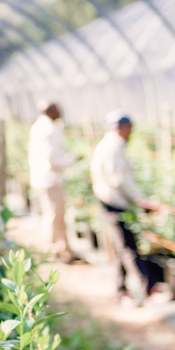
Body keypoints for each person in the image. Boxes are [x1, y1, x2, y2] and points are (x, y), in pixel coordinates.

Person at [90, 110, 156, 304]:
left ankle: (121, 288)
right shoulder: (114, 147)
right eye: (130, 128)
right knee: (127, 246)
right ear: (123, 128)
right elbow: (119, 179)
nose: (131, 133)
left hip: (110, 200)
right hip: (114, 202)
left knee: (121, 246)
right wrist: (140, 200)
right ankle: (147, 285)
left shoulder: (108, 144)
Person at [28, 100, 77, 262]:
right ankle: (52, 250)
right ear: (51, 111)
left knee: (53, 213)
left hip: (43, 178)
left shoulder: (39, 126)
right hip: (50, 179)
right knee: (54, 214)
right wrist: (71, 160)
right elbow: (52, 158)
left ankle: (61, 249)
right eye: (57, 109)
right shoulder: (49, 129)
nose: (60, 111)